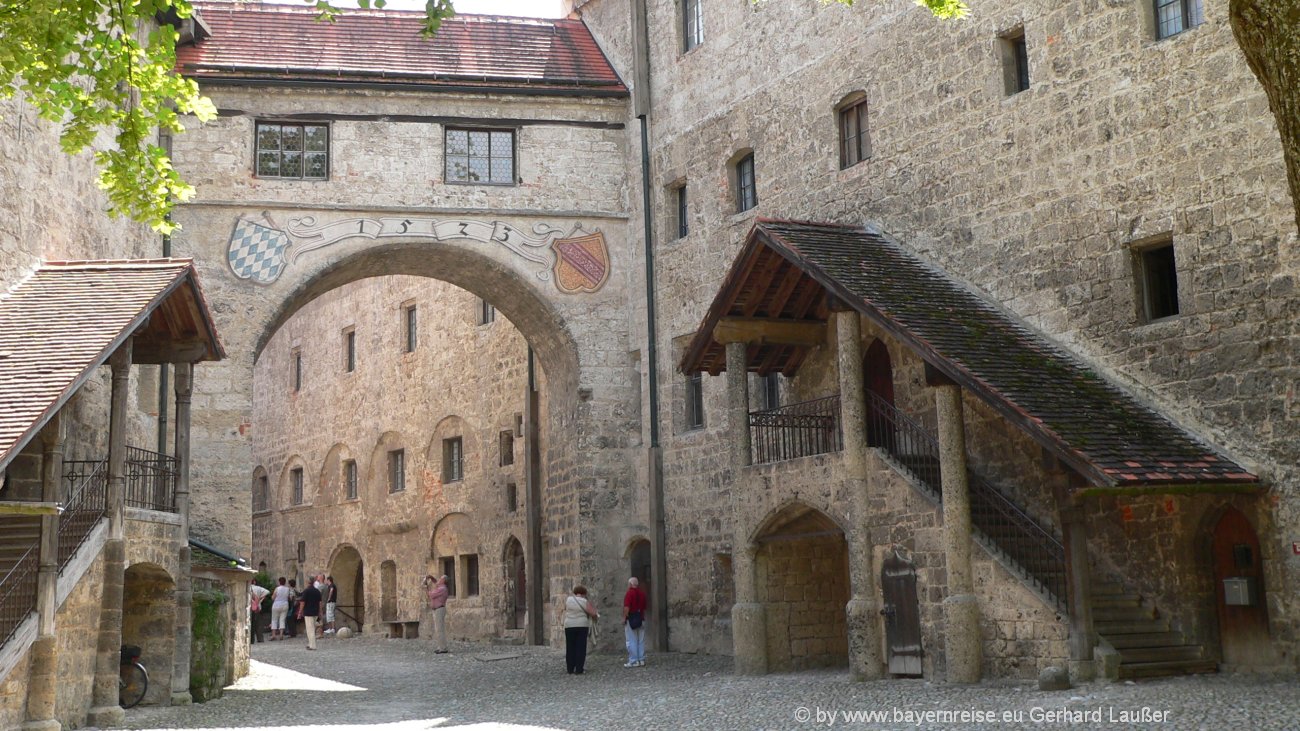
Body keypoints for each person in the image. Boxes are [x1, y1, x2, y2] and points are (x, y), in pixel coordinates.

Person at [559, 584, 598, 675]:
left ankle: (570, 668)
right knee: (580, 647)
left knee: (570, 647)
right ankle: (579, 669)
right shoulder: (584, 601)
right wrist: (595, 617)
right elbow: (593, 613)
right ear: (584, 593)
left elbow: (566, 609)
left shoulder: (568, 600)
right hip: (581, 625)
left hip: (569, 625)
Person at [622, 577, 648, 667]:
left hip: (632, 619)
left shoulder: (629, 593)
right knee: (640, 640)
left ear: (630, 584)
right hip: (641, 618)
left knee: (631, 640)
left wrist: (624, 617)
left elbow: (627, 607)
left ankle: (633, 660)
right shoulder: (642, 594)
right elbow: (644, 607)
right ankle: (641, 659)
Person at [424, 575, 449, 653]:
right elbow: (436, 583)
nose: (439, 579)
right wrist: (432, 578)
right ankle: (440, 647)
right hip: (436, 610)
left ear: (443, 581)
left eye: (440, 578)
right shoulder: (440, 587)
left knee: (440, 630)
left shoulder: (442, 589)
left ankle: (443, 648)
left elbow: (431, 595)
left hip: (439, 610)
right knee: (438, 629)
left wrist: (425, 587)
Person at [299, 579, 322, 650]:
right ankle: (310, 643)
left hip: (308, 612)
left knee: (310, 629)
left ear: (308, 583)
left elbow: (303, 602)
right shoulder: (317, 591)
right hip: (315, 612)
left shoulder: (306, 591)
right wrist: (320, 612)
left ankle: (312, 645)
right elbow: (320, 603)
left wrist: (300, 612)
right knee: (312, 628)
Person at [269, 577, 292, 641]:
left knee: (274, 619)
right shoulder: (287, 589)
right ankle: (281, 634)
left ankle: (274, 635)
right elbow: (289, 598)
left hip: (276, 604)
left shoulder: (277, 589)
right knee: (282, 620)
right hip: (285, 604)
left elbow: (273, 597)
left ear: (279, 582)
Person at [249, 579, 270, 644]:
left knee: (251, 624)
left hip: (249, 607)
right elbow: (267, 592)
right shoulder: (258, 588)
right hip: (257, 607)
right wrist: (260, 599)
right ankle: (260, 638)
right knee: (258, 624)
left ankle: (251, 640)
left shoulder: (248, 587)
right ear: (254, 582)